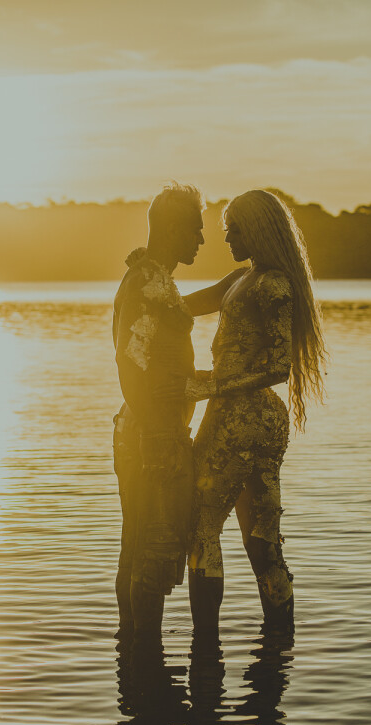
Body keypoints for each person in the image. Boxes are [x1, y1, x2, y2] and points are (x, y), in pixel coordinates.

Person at [183, 189, 327, 638]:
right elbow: (188, 306)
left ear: (258, 231)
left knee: (202, 528)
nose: (227, 239)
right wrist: (147, 280)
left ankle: (206, 647)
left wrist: (211, 387)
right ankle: (279, 643)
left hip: (240, 419)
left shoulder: (273, 285)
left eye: (235, 230)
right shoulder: (242, 278)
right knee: (261, 540)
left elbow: (279, 368)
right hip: (258, 419)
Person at [113, 183, 245, 646]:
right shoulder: (146, 281)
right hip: (152, 433)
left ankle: (134, 655)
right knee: (154, 548)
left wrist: (230, 284)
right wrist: (158, 435)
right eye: (195, 229)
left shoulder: (152, 278)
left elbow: (183, 310)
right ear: (172, 229)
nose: (202, 240)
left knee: (138, 545)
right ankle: (144, 654)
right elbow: (130, 362)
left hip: (144, 428)